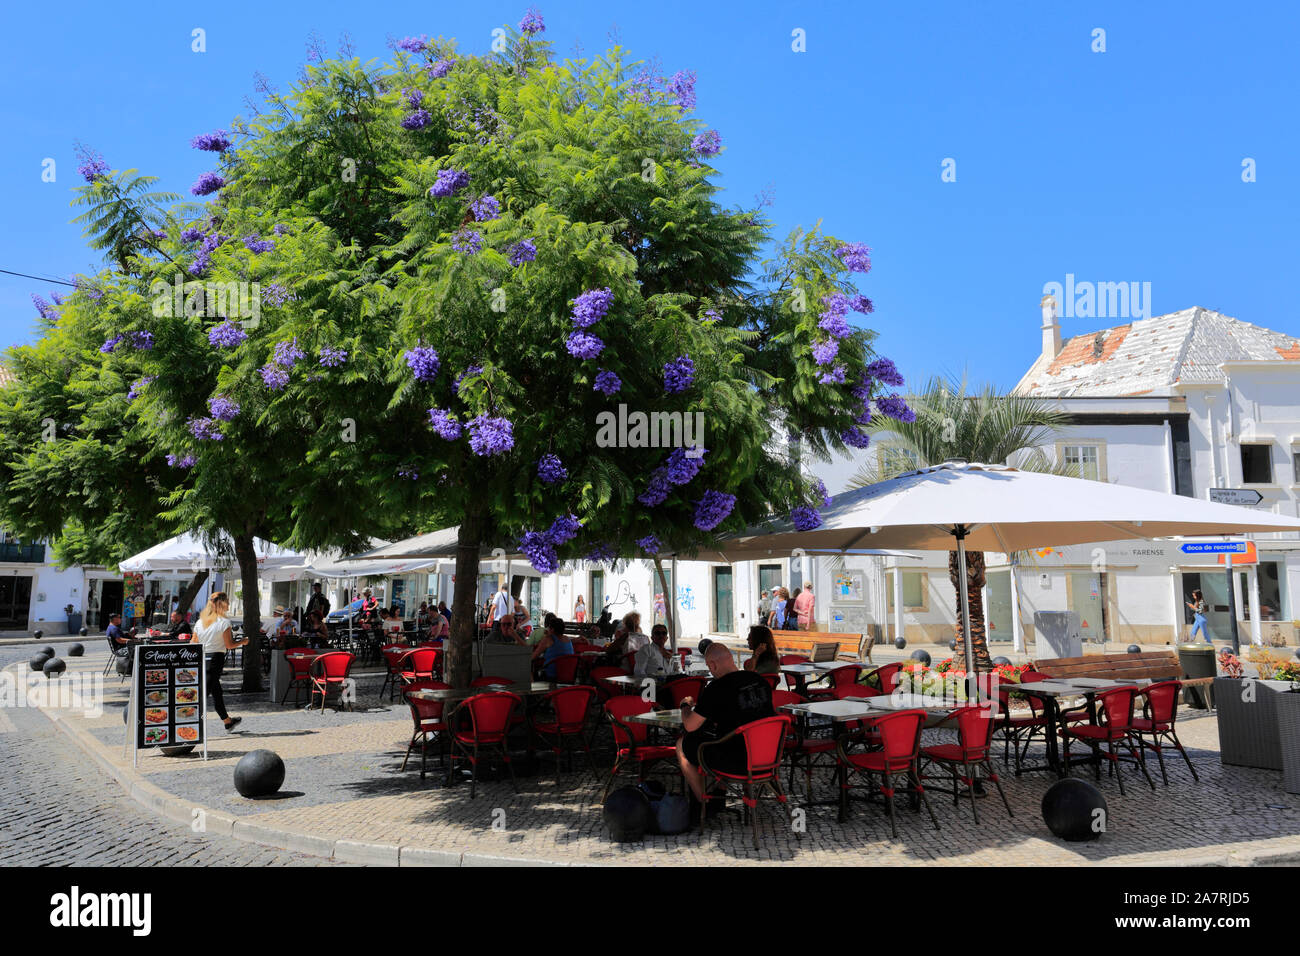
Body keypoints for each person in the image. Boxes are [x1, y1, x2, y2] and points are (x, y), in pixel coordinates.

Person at [676, 642, 776, 804]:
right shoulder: (760, 680)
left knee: (683, 744)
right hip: (769, 758)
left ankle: (706, 803)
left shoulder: (716, 688)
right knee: (723, 737)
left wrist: (685, 706)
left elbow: (690, 726)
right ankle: (721, 792)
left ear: (712, 665)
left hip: (736, 762)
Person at [194, 591, 248, 732]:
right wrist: (243, 641)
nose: (229, 604)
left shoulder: (200, 622)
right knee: (203, 695)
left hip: (202, 659)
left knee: (216, 691)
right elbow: (229, 645)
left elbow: (193, 642)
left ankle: (227, 721)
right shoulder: (224, 622)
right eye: (228, 602)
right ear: (221, 603)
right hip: (215, 660)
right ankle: (190, 724)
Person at [531, 616, 574, 680]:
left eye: (549, 628)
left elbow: (533, 657)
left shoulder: (548, 639)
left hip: (551, 674)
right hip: (569, 674)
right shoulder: (567, 639)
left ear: (552, 629)